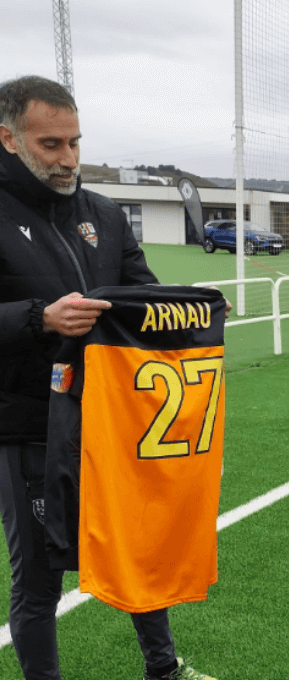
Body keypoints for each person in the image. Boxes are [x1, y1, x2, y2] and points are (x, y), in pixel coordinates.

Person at [0, 75, 215, 680]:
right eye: (51, 145)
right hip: (28, 426)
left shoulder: (102, 212)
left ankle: (164, 668)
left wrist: (191, 311)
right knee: (38, 577)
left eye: (75, 142)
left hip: (112, 417)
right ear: (9, 140)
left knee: (136, 546)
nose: (69, 159)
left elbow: (140, 292)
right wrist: (39, 319)